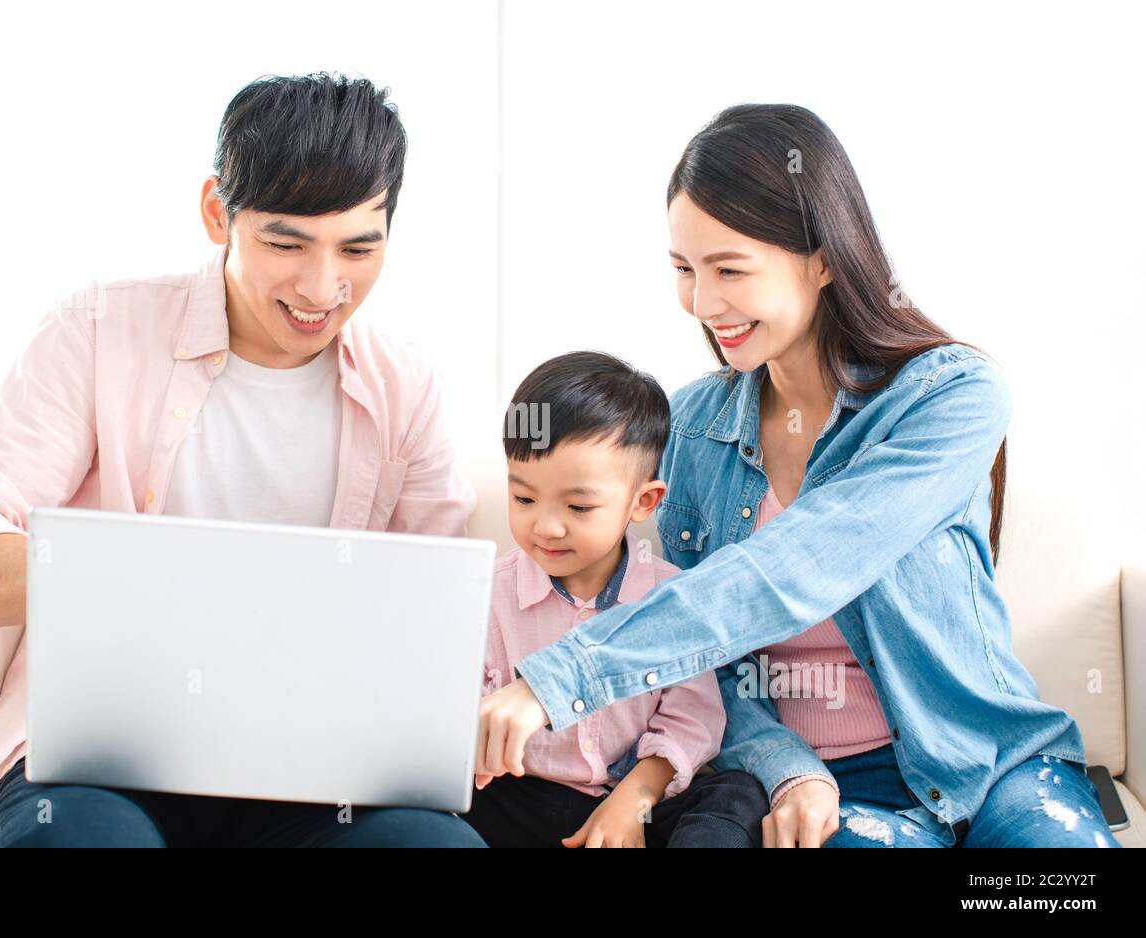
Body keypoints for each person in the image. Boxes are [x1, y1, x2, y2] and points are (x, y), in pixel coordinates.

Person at [472, 103, 1119, 848]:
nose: (703, 304)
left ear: (823, 259)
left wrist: (558, 679)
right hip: (827, 789)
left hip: (991, 761)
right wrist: (787, 768)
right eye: (685, 270)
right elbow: (704, 658)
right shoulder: (687, 431)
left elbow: (799, 565)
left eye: (729, 269)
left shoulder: (951, 396)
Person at [0, 72, 484, 847]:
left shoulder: (406, 386)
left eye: (357, 248)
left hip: (321, 775)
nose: (322, 286)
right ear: (219, 212)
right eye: (286, 242)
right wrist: (116, 578)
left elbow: (436, 611)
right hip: (105, 762)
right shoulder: (98, 329)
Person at [464, 352, 769, 847]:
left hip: (640, 802)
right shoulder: (487, 593)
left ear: (643, 502)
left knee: (738, 795)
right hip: (524, 798)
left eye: (578, 506)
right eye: (523, 499)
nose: (545, 526)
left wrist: (633, 801)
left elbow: (692, 720)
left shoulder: (670, 597)